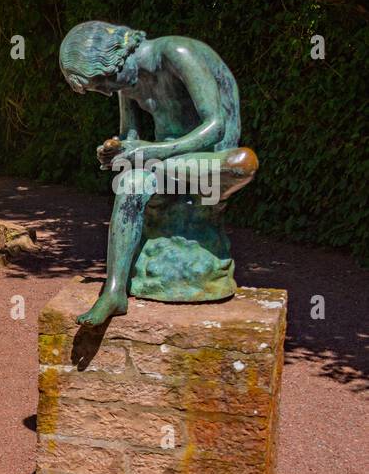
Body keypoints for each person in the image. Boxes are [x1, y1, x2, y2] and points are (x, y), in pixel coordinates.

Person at [59, 21, 258, 325]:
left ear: (118, 57)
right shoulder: (126, 82)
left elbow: (216, 124)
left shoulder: (176, 53)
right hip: (166, 164)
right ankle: (114, 292)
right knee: (130, 182)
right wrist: (116, 148)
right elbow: (129, 135)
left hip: (207, 159)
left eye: (101, 82)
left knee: (244, 162)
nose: (105, 92)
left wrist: (150, 152)